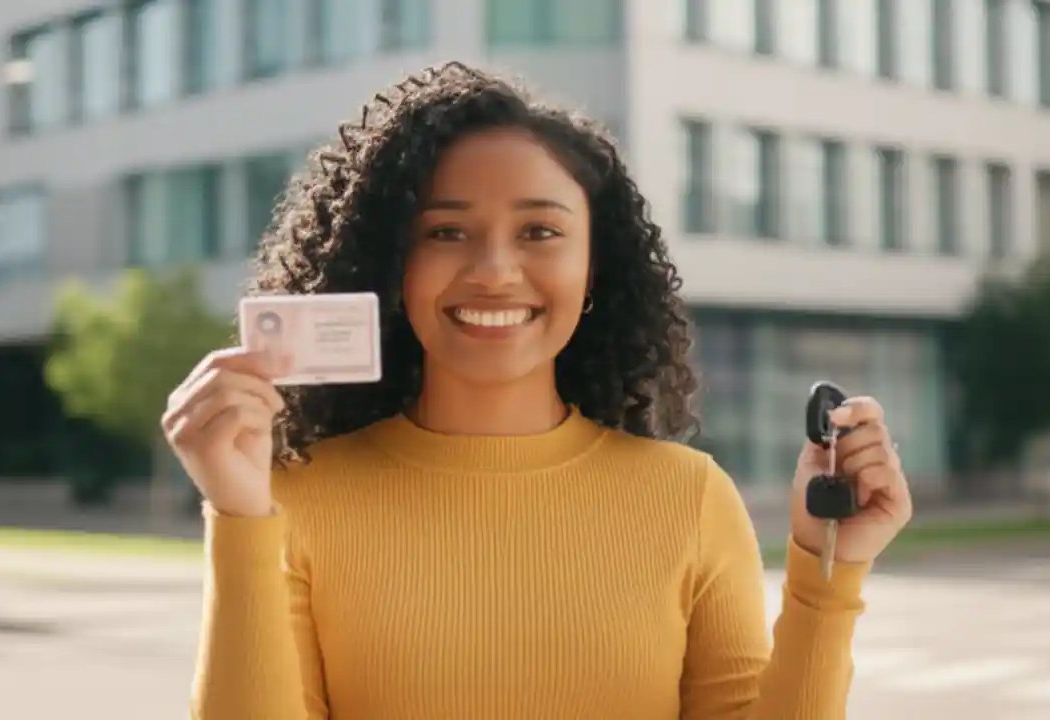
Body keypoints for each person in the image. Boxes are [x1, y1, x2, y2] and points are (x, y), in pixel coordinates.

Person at [163, 62, 913, 719]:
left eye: (539, 233)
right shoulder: (293, 501)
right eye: (446, 232)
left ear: (594, 269)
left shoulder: (690, 498)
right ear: (394, 267)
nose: (494, 270)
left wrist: (828, 570)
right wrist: (238, 514)